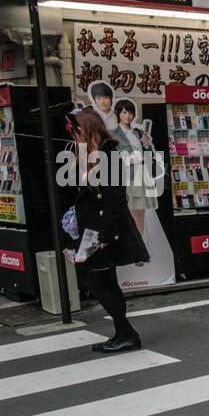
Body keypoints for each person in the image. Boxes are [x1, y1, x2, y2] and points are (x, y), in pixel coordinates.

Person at [66, 107, 149, 352]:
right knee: (104, 280)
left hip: (102, 230)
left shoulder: (109, 154)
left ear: (87, 130)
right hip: (89, 229)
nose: (73, 138)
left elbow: (114, 200)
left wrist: (104, 235)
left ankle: (126, 333)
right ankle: (123, 332)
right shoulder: (87, 154)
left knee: (98, 280)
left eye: (76, 132)